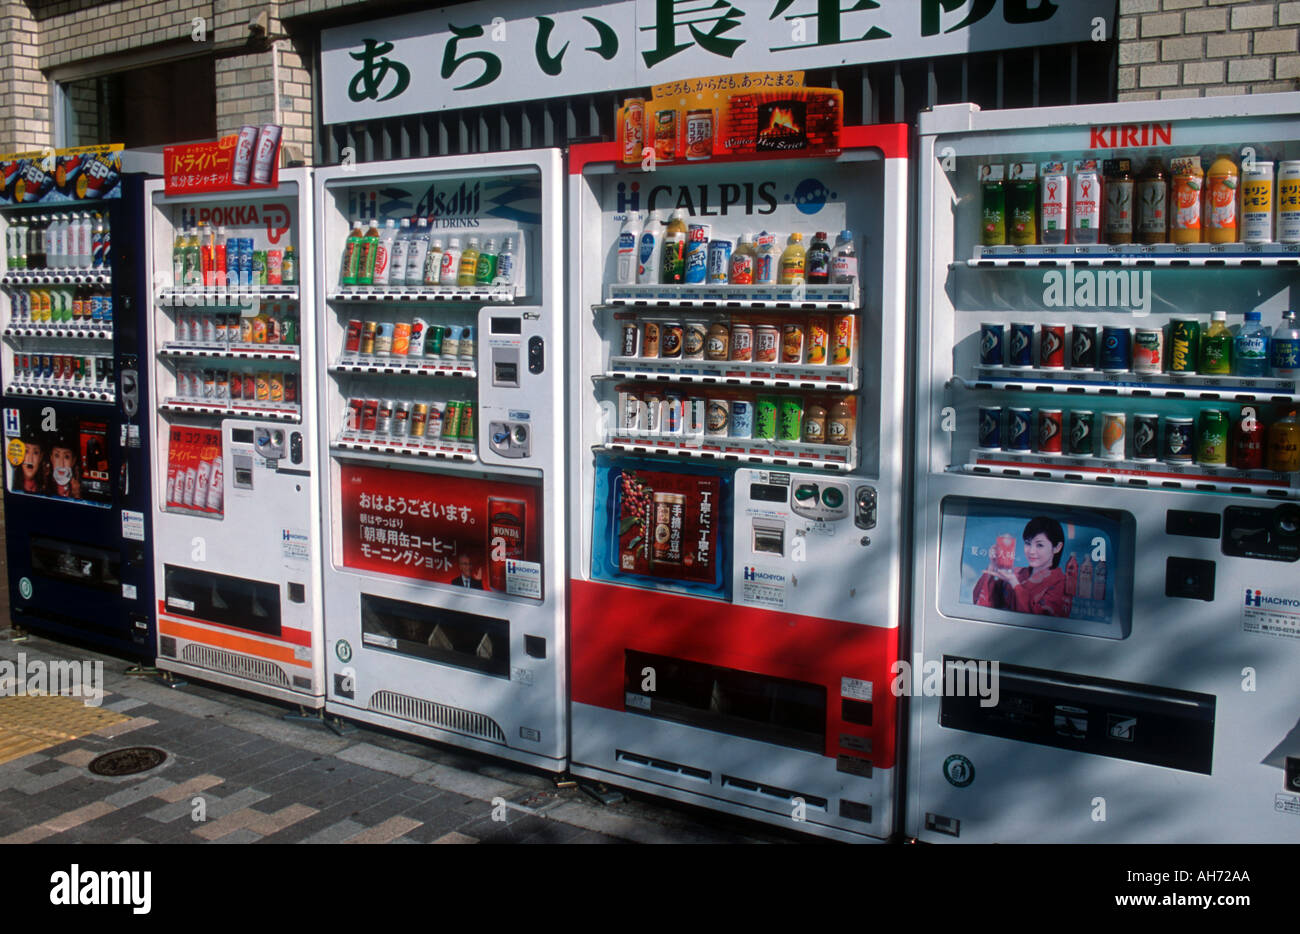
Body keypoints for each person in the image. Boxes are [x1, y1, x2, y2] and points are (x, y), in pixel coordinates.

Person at [973, 516, 1072, 618]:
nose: (1031, 551)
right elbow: (980, 603)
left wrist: (1015, 583)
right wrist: (993, 565)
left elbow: (1043, 621)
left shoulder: (1062, 584)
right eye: (1028, 543)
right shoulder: (1016, 573)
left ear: (1057, 548)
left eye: (1039, 545)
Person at [49, 432, 82, 500]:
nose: (61, 464)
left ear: (73, 460)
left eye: (66, 457)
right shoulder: (45, 486)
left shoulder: (79, 487)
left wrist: (77, 495)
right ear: (51, 458)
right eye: (57, 456)